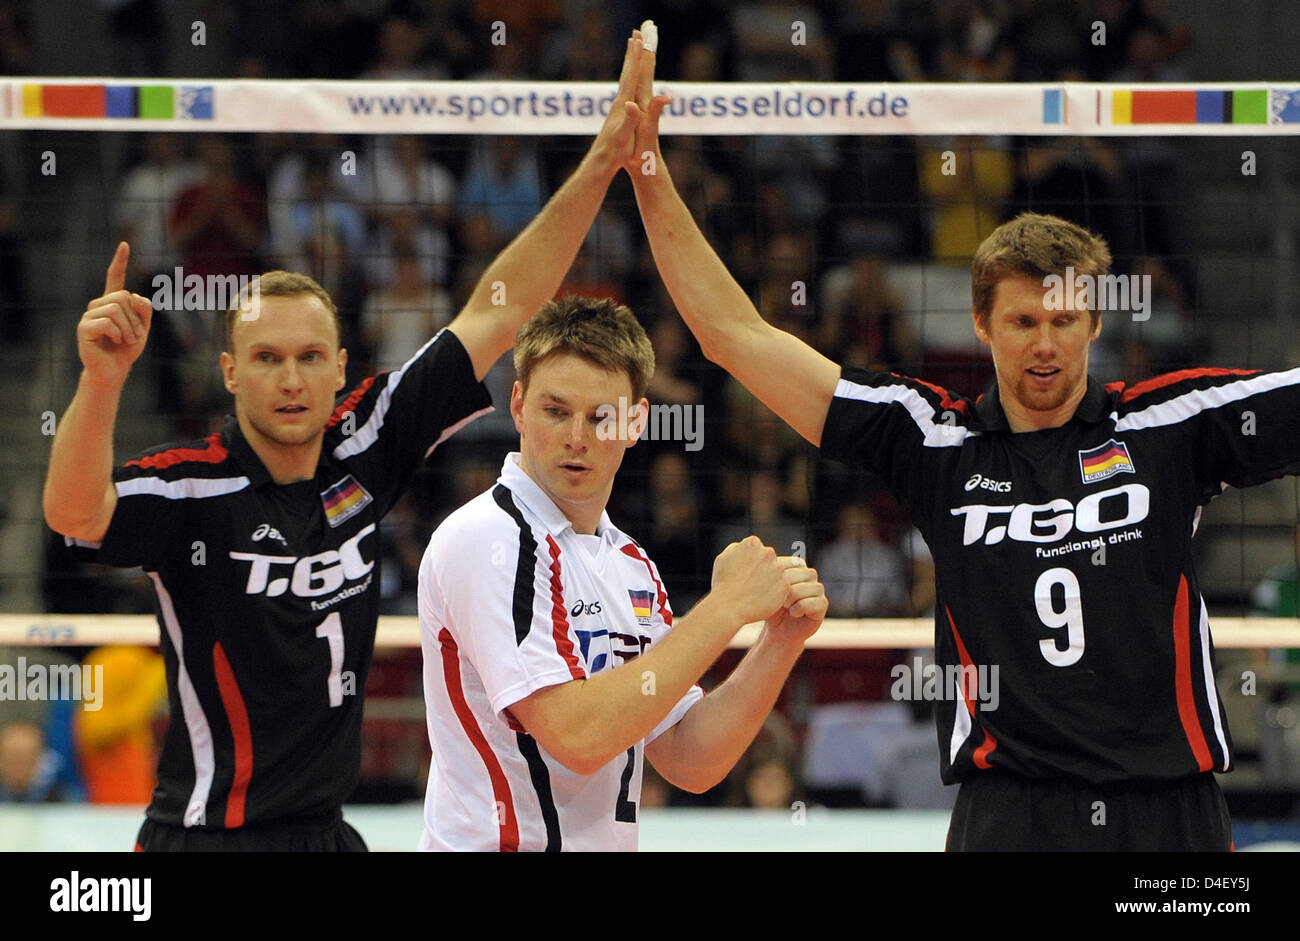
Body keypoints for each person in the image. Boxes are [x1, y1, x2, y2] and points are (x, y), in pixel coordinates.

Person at [623, 49, 1300, 850]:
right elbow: (734, 338)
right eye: (1022, 322)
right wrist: (646, 170)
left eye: (1063, 321)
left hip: (1171, 810)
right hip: (1011, 813)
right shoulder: (931, 437)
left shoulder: (1173, 424)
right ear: (982, 324)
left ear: (1095, 321)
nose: (1045, 345)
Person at [41, 29, 664, 852]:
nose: (289, 379)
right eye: (266, 358)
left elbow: (499, 309)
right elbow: (75, 513)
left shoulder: (368, 440)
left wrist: (601, 163)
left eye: (307, 358)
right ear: (230, 371)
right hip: (207, 836)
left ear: (339, 368)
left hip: (328, 836)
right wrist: (102, 382)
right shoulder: (192, 487)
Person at [418, 297, 827, 851]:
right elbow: (578, 738)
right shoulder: (488, 539)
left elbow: (690, 759)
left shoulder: (629, 564)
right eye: (555, 411)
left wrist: (780, 639)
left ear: (635, 422)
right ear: (517, 405)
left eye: (601, 416)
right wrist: (726, 607)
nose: (577, 438)